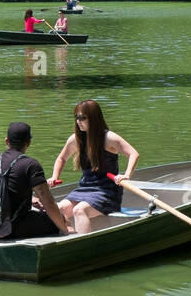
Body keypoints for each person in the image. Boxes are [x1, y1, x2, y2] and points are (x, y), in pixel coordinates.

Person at [48, 99, 140, 235]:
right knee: (59, 209)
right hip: (85, 188)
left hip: (107, 192)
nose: (78, 121)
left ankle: (82, 245)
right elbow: (61, 158)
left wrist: (126, 175)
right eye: (77, 117)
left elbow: (133, 154)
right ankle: (66, 239)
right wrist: (55, 176)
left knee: (79, 210)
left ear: (94, 118)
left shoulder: (109, 138)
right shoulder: (76, 139)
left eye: (82, 118)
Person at [0, 122, 72, 238]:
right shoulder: (31, 165)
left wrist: (30, 199)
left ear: (7, 141)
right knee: (63, 219)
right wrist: (64, 229)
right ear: (28, 143)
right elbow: (48, 202)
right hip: (10, 227)